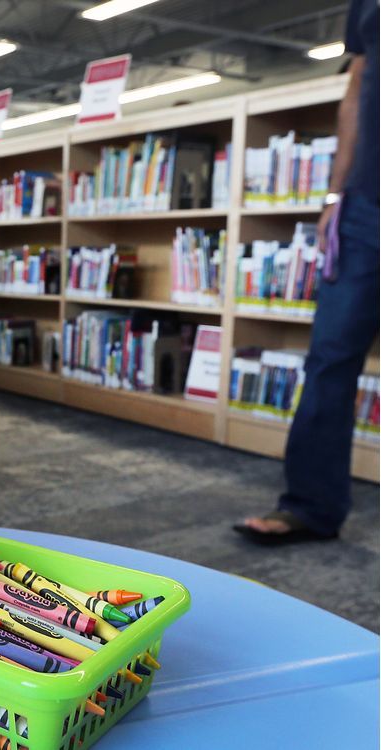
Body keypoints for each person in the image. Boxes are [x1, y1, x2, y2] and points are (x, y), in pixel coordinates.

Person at [234, 0, 379, 545]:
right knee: (329, 357)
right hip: (366, 204)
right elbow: (358, 85)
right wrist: (336, 194)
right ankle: (312, 507)